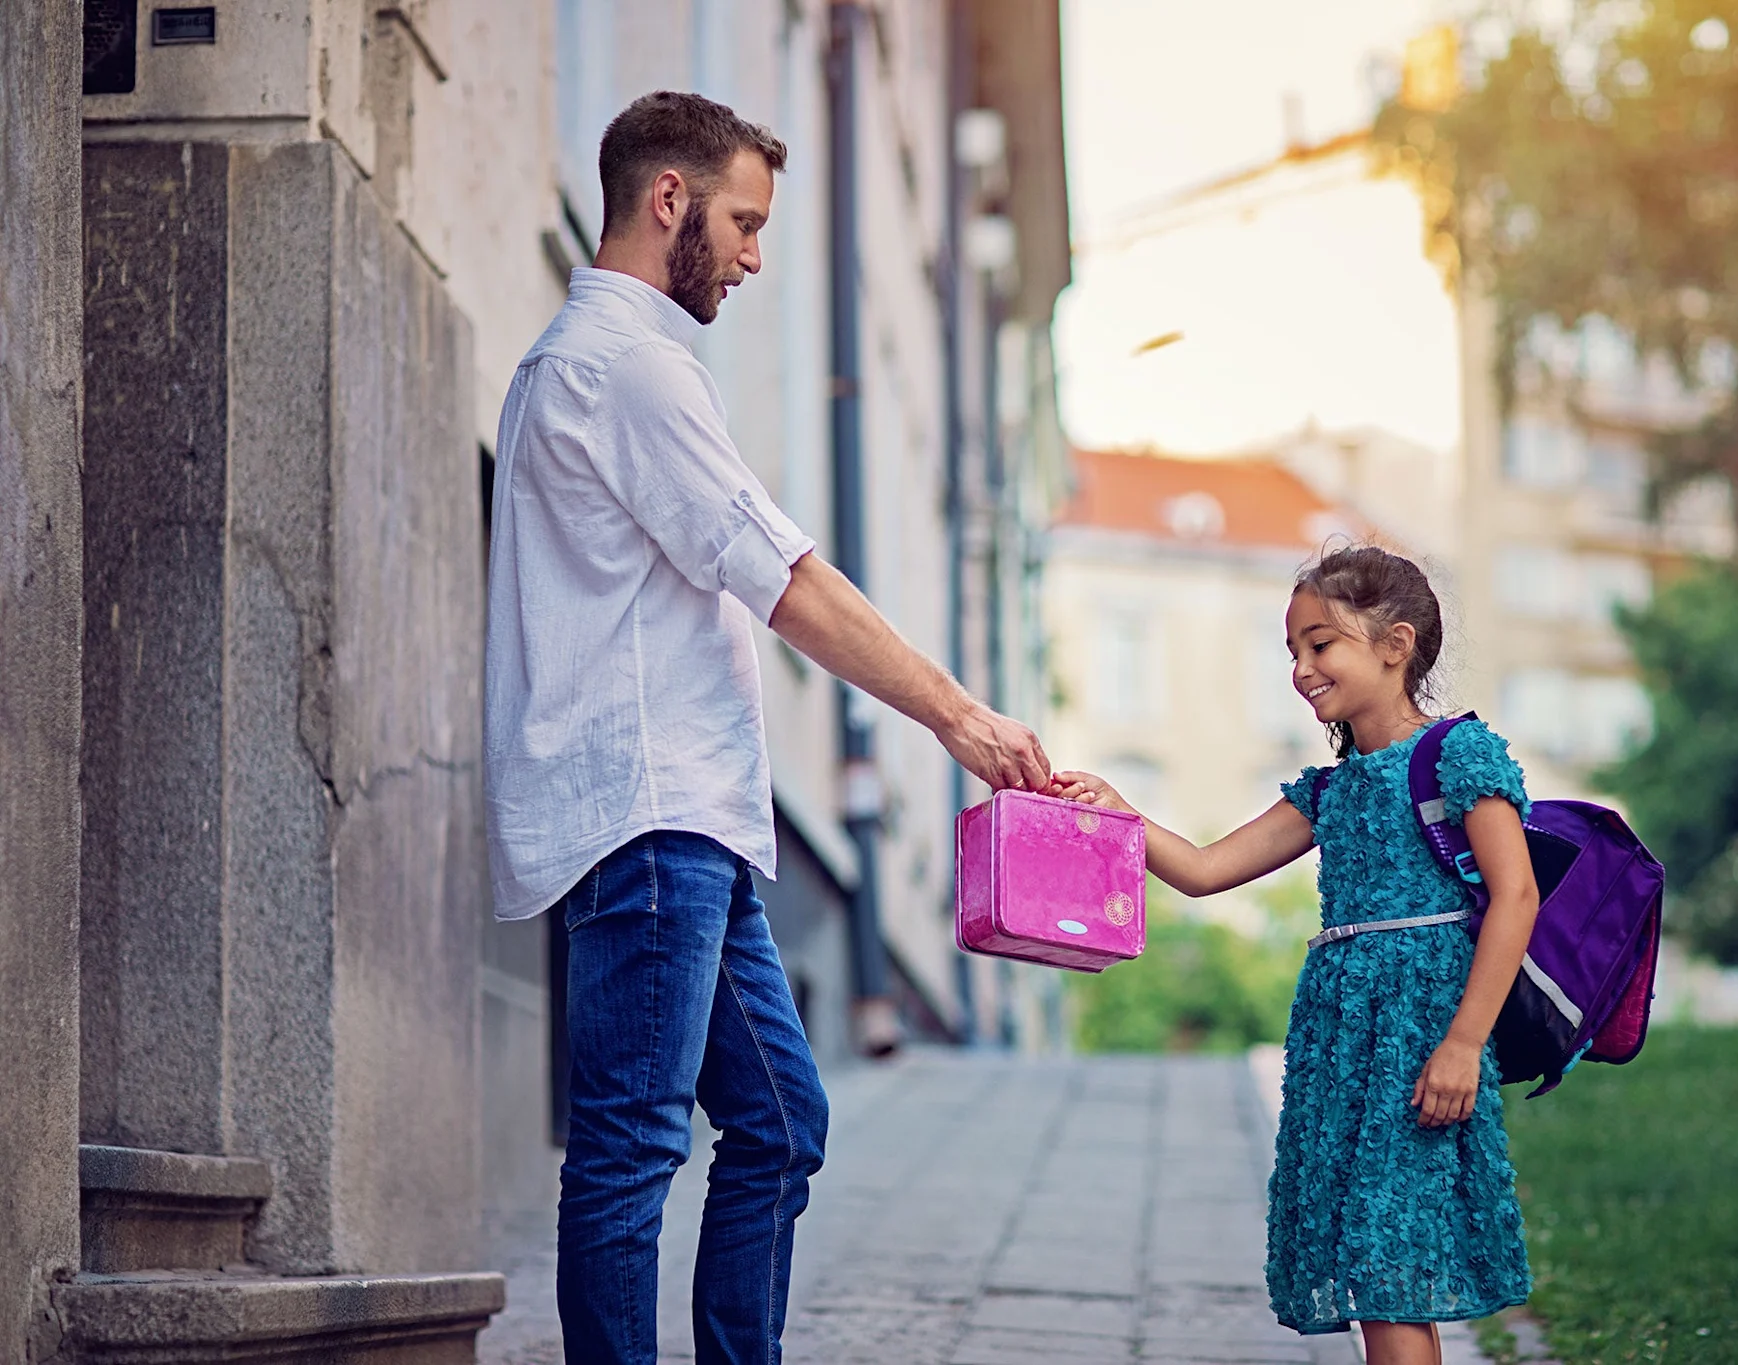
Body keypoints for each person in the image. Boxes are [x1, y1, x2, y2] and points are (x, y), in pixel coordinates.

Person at [483, 91, 1050, 1365]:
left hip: (695, 820)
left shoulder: (587, 367)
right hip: (647, 816)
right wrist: (955, 715)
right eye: (742, 223)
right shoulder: (624, 367)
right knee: (631, 1145)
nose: (752, 255)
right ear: (669, 201)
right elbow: (781, 576)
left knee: (783, 1121)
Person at [1050, 546, 1537, 1365]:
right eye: (1292, 652)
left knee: (1388, 1270)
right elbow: (1206, 870)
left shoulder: (1458, 756)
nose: (1302, 668)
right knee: (1364, 1263)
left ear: (1395, 644)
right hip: (1340, 1050)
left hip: (1421, 1039)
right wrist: (1118, 811)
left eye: (1320, 644)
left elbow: (1515, 895)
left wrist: (1462, 1043)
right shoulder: (1328, 788)